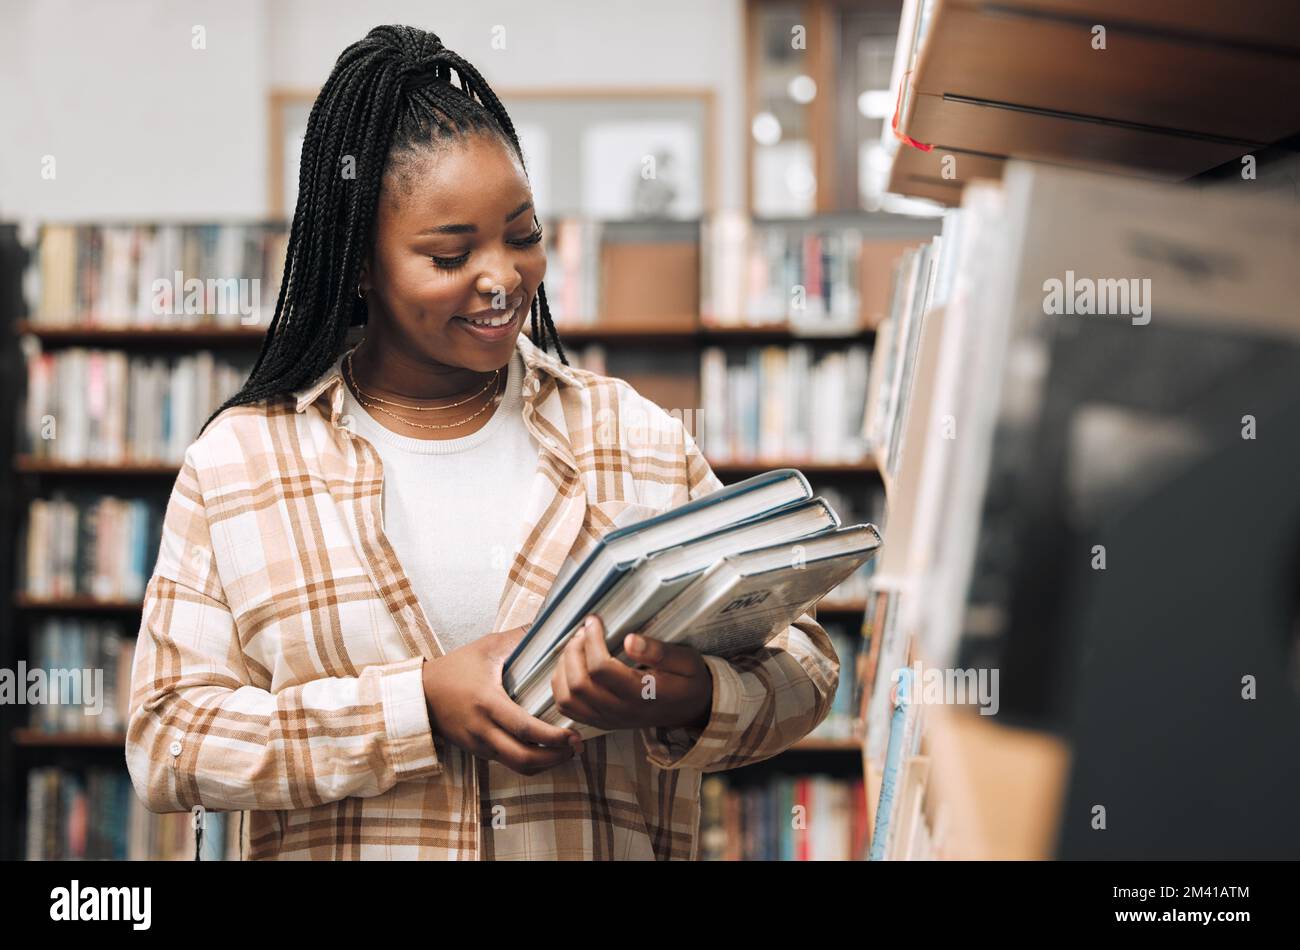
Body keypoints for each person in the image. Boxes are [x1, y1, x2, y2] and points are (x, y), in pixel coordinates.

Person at [126, 24, 839, 860]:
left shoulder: (634, 436)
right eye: (450, 253)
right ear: (362, 265)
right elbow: (169, 742)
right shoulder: (242, 464)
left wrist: (686, 695)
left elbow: (808, 667)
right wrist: (416, 706)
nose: (503, 278)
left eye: (524, 235)